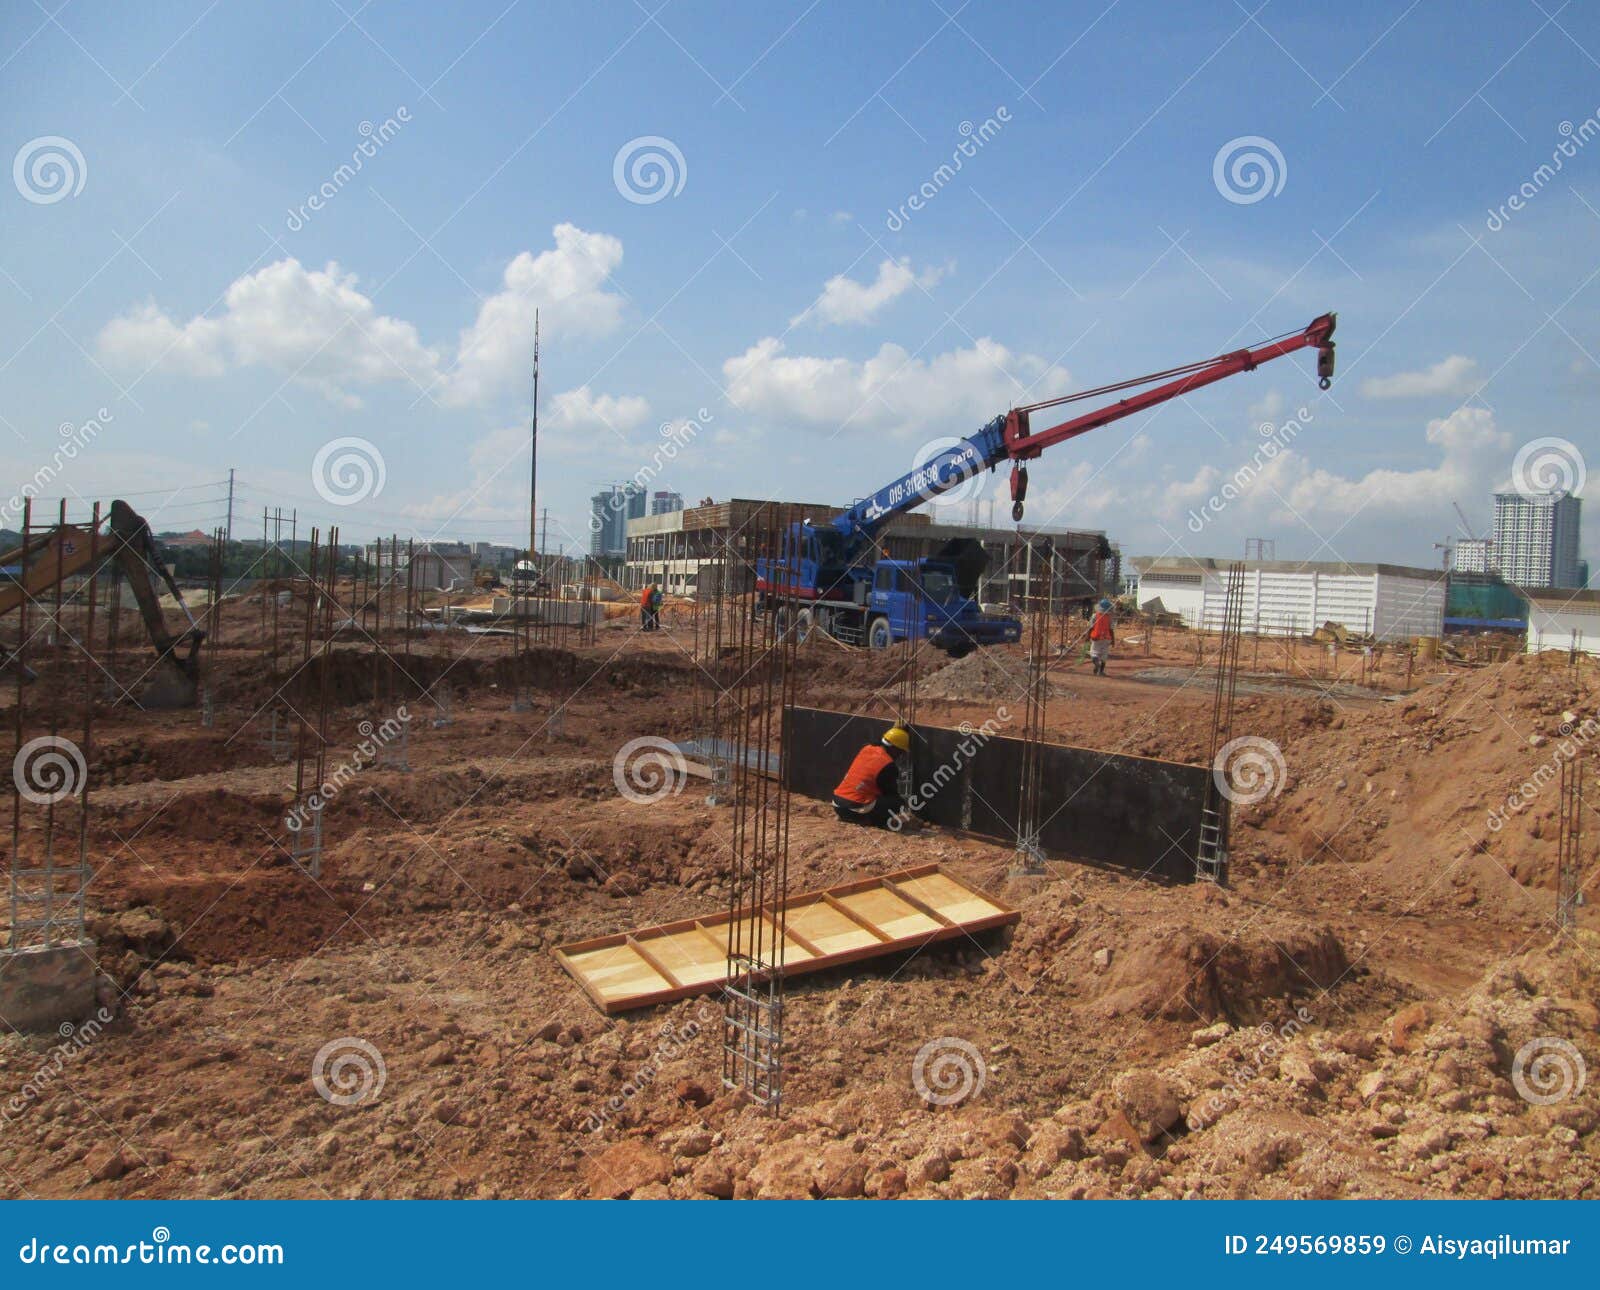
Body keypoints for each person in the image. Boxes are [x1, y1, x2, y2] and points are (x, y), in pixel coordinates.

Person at [831, 725, 915, 829]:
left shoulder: (867, 748)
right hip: (854, 808)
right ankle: (871, 822)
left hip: (838, 804)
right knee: (896, 803)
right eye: (900, 752)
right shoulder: (888, 764)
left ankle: (849, 817)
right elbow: (890, 793)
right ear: (894, 748)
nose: (900, 756)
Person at [1088, 597, 1115, 675]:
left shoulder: (1094, 616)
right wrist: (1113, 640)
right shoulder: (1110, 617)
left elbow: (1091, 627)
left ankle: (1097, 664)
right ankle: (1101, 671)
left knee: (1093, 653)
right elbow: (1111, 630)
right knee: (1104, 655)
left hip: (1096, 637)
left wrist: (1087, 637)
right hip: (1106, 638)